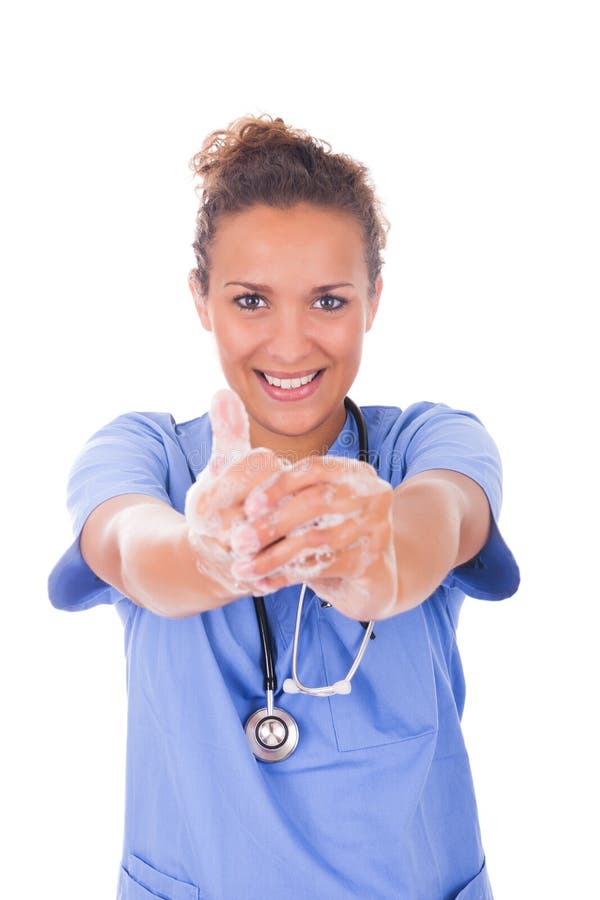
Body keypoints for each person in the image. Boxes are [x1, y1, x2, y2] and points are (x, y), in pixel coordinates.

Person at [48, 114, 520, 900]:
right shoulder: (145, 455)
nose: (292, 343)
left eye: (329, 301)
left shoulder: (428, 444)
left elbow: (444, 515)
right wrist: (204, 553)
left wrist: (387, 560)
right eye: (252, 300)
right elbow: (130, 544)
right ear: (202, 299)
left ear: (374, 299)